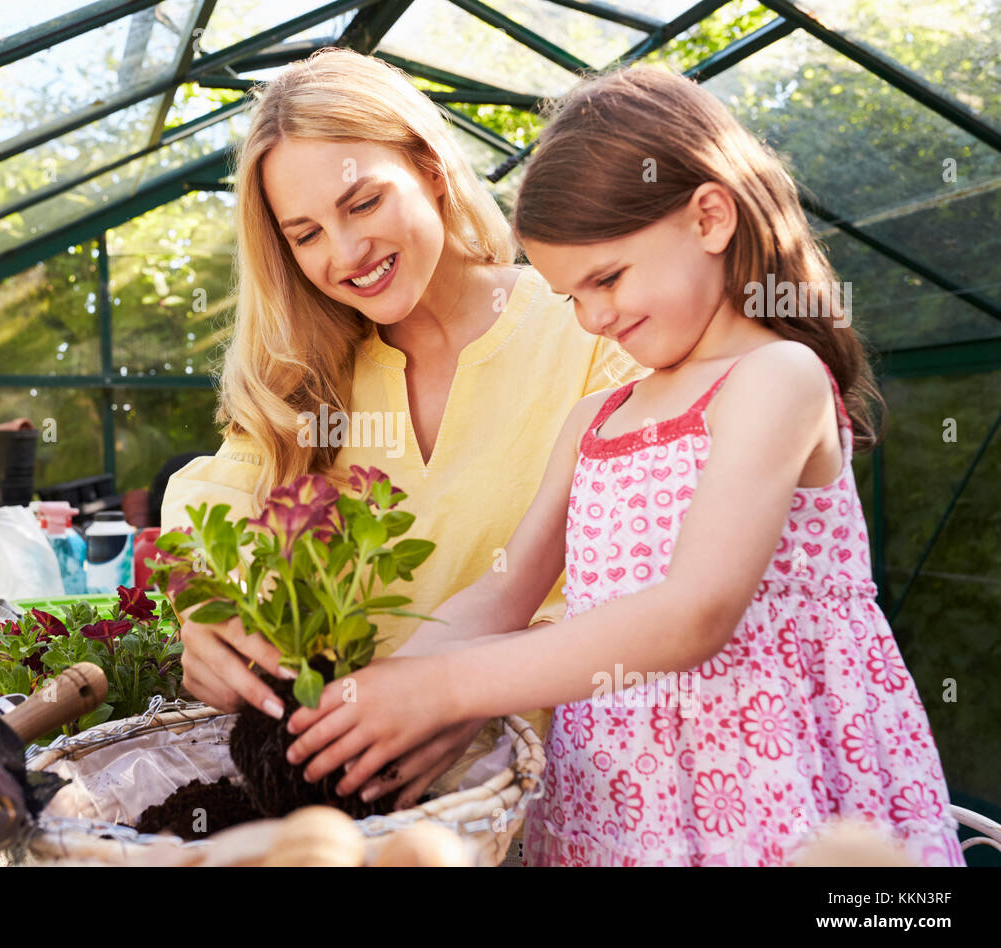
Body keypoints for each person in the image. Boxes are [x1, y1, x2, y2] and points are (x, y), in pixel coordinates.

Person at [285, 66, 965, 866]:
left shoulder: (775, 380)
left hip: (768, 785)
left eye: (607, 277)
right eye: (572, 297)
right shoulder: (597, 419)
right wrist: (374, 690)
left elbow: (693, 614)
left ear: (710, 216)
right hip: (618, 803)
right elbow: (506, 591)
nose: (596, 317)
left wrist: (446, 688)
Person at [159, 48, 645, 809]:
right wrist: (205, 611)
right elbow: (212, 506)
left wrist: (471, 693)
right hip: (364, 806)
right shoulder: (309, 377)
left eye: (362, 204)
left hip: (584, 799)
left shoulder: (594, 334)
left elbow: (638, 590)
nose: (346, 254)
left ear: (430, 167)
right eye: (306, 233)